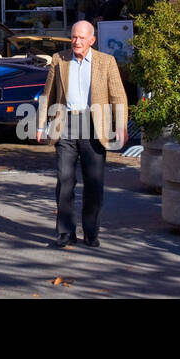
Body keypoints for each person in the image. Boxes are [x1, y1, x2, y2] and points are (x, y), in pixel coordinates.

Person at [35, 20, 128, 249]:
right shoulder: (60, 59)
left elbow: (118, 97)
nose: (77, 42)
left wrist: (121, 126)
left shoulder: (106, 62)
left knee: (93, 183)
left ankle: (91, 232)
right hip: (65, 123)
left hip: (94, 124)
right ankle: (65, 233)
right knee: (64, 180)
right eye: (74, 37)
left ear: (92, 40)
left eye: (82, 38)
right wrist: (40, 125)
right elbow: (48, 94)